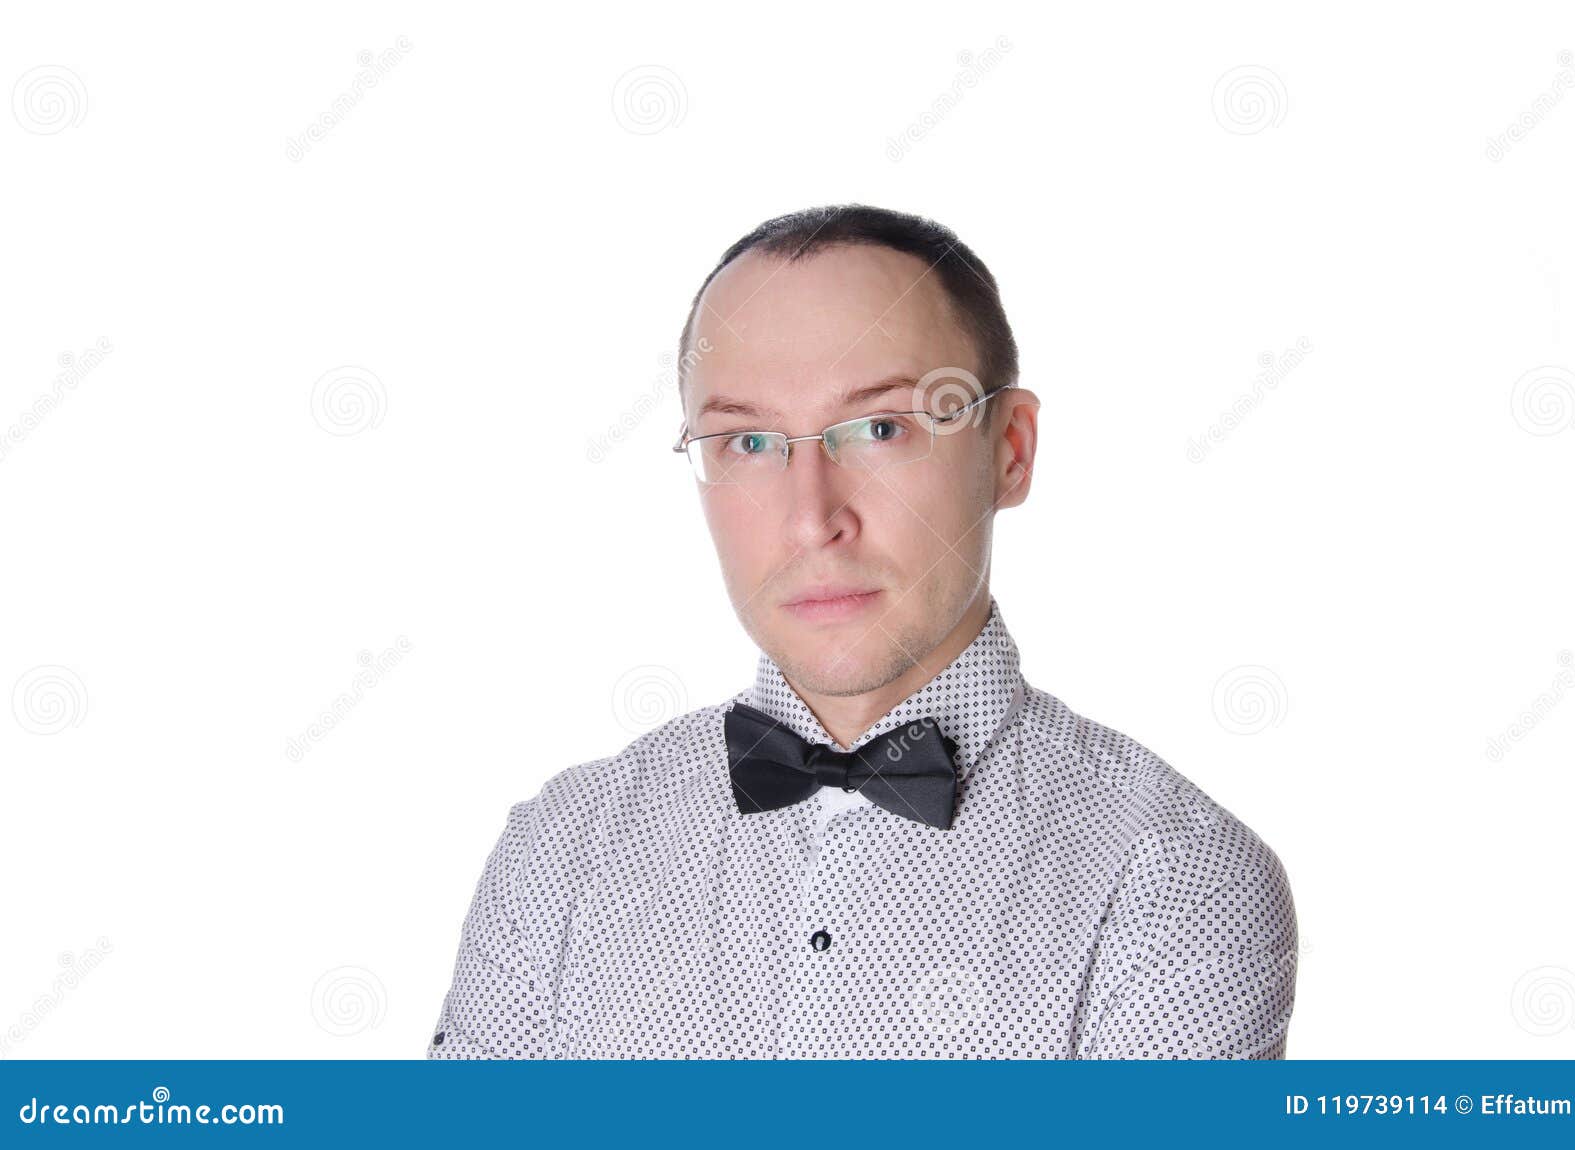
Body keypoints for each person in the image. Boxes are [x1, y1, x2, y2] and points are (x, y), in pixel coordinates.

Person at [425, 204, 1298, 1059]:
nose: (812, 520)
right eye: (749, 443)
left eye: (883, 429)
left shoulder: (1180, 879)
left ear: (1011, 450)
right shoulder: (559, 851)